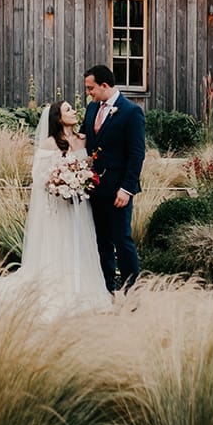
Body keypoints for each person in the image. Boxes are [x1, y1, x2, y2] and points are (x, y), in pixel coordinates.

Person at [0, 99, 110, 317]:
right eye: (68, 109)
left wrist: (81, 181)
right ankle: (57, 290)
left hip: (79, 206)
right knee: (59, 245)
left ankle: (83, 290)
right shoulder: (50, 143)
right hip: (58, 207)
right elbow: (40, 177)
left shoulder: (83, 140)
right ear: (58, 118)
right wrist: (60, 182)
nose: (74, 111)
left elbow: (89, 167)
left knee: (80, 243)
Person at [81, 64, 145, 292]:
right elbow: (84, 140)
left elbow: (137, 154)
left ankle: (132, 292)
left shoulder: (130, 111)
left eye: (91, 88)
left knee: (122, 240)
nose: (89, 92)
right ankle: (106, 290)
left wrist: (127, 189)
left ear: (104, 85)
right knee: (102, 242)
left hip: (118, 191)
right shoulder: (91, 109)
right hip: (94, 189)